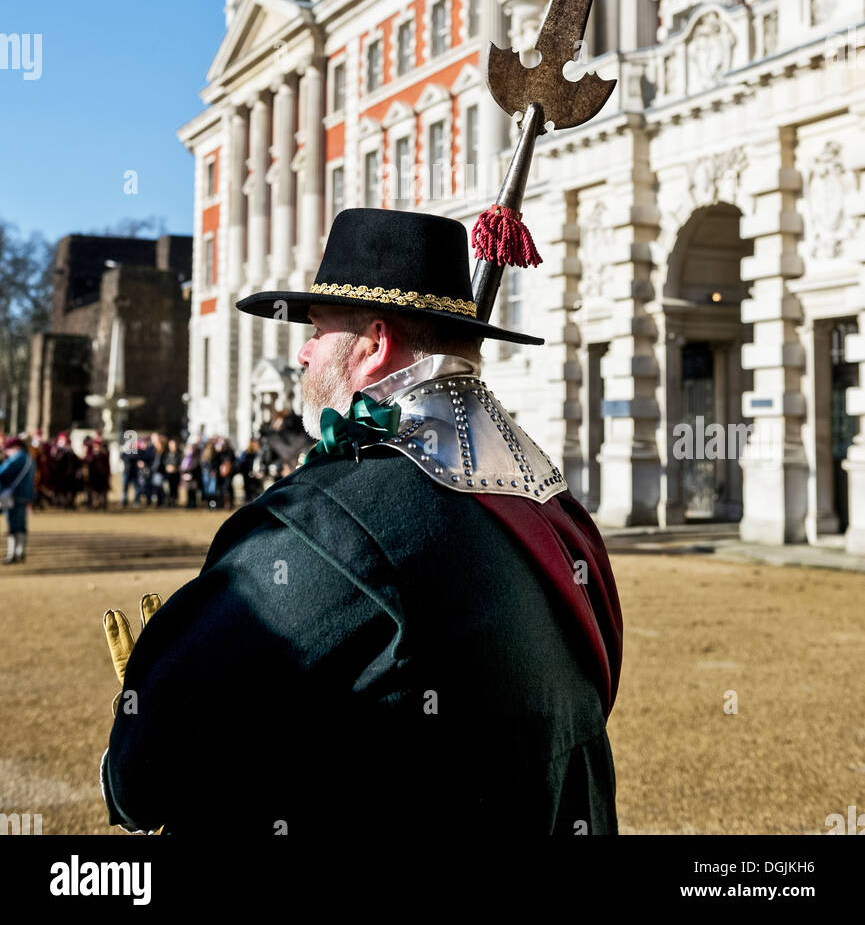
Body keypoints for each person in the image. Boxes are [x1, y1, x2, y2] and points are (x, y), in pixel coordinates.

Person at [101, 208, 623, 835]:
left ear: (374, 345)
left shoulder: (324, 522)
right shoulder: (558, 515)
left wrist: (153, 695)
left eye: (318, 329)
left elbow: (147, 778)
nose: (302, 351)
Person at [1, 436, 35, 563]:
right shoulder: (29, 458)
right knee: (21, 524)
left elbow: (2, 473)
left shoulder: (17, 458)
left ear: (14, 448)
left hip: (11, 495)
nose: (7, 452)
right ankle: (20, 552)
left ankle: (12, 554)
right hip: (25, 495)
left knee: (12, 523)